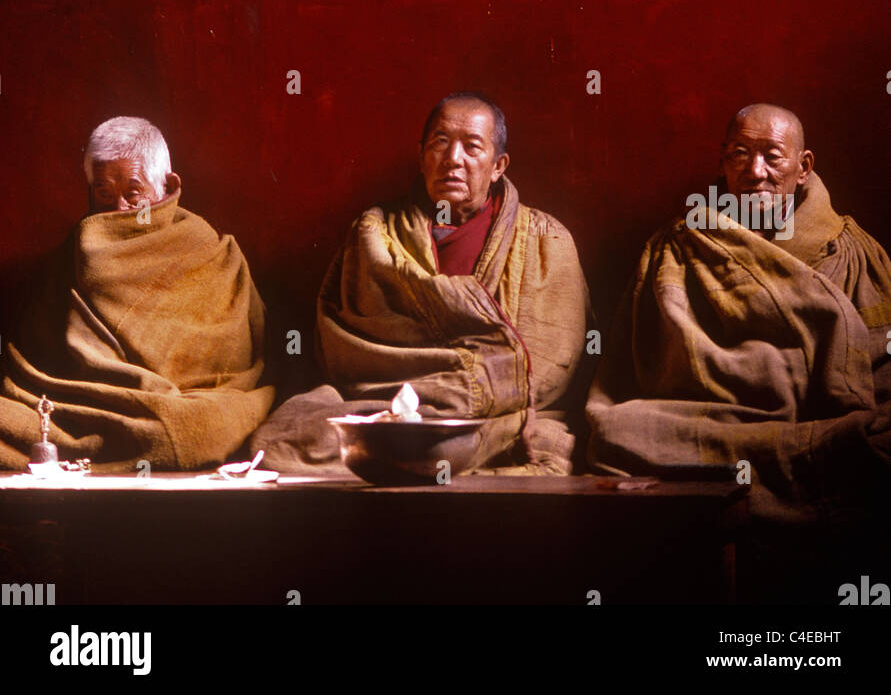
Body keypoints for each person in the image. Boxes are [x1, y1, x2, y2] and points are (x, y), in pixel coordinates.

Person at [252, 92, 592, 475]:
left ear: (498, 166)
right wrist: (413, 400)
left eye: (472, 147)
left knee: (541, 437)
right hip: (384, 404)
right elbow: (339, 341)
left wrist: (467, 385)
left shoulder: (545, 240)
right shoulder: (374, 233)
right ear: (421, 157)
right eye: (440, 143)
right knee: (284, 436)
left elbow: (551, 364)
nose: (453, 159)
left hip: (497, 412)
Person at [586, 103, 891, 524]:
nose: (756, 171)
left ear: (803, 167)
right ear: (723, 162)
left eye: (772, 155)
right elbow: (639, 367)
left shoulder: (854, 253)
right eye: (740, 154)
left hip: (816, 424)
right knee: (615, 431)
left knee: (874, 437)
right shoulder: (677, 246)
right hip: (707, 423)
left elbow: (878, 371)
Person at [0, 117, 273, 471]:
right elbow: (35, 359)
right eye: (103, 194)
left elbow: (234, 352)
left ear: (168, 186)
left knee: (192, 430)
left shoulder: (210, 251)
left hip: (188, 407)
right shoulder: (75, 250)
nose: (119, 210)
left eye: (133, 194)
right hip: (79, 409)